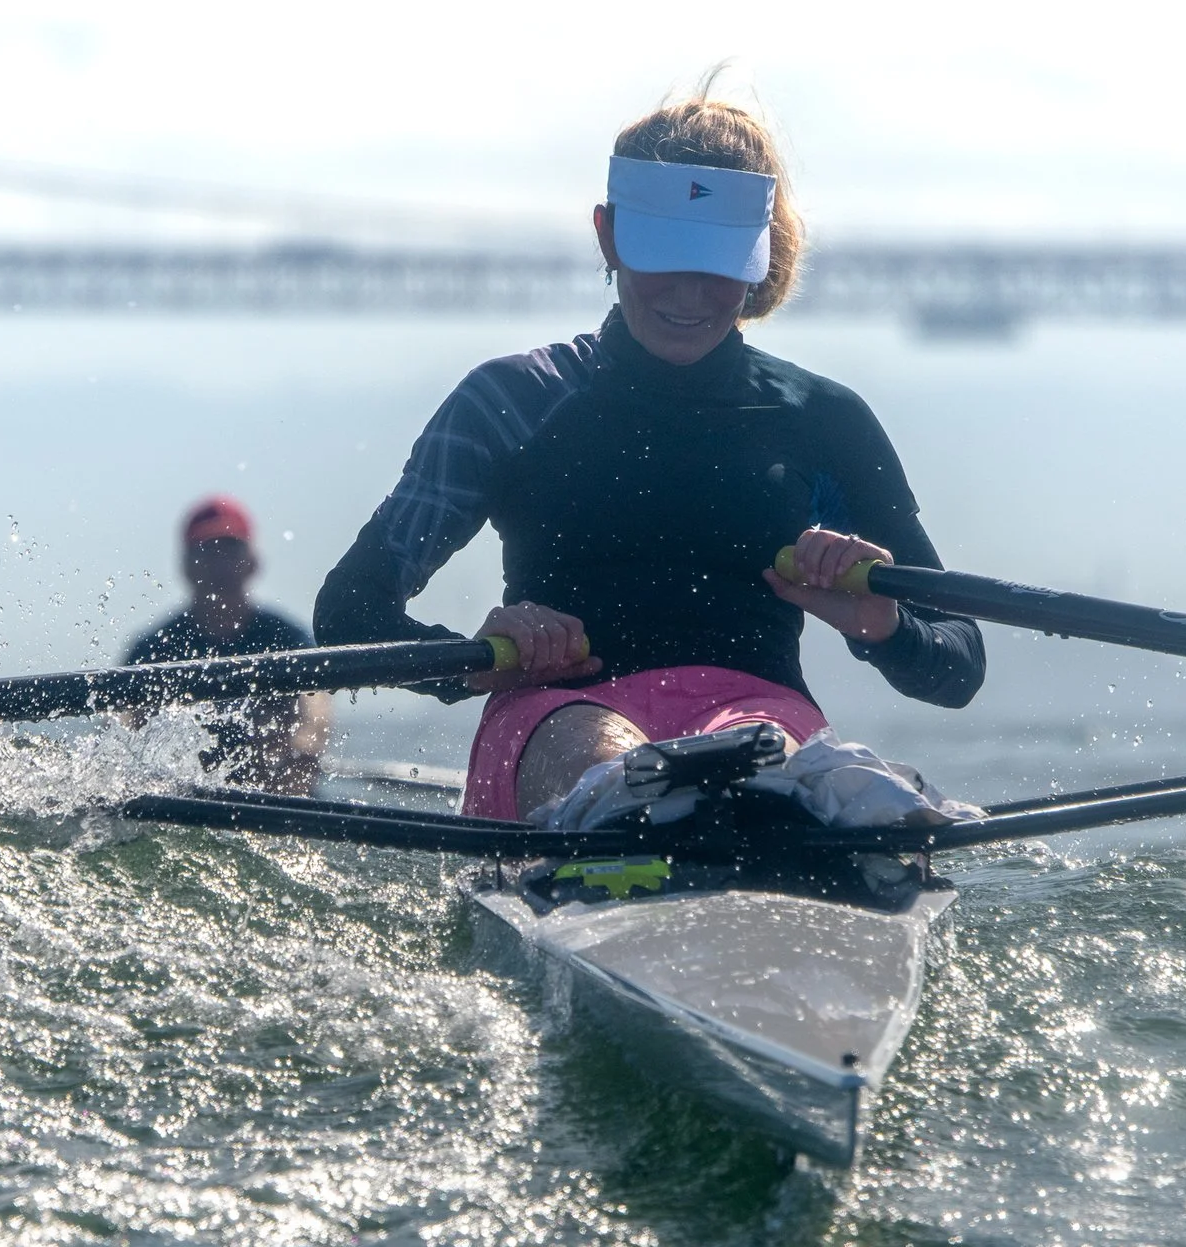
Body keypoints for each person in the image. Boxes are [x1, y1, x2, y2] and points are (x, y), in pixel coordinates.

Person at [314, 92, 983, 821]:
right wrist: (476, 660)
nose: (691, 293)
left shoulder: (823, 420)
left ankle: (776, 818)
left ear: (759, 258)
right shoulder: (509, 401)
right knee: (603, 753)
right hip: (558, 718)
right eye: (665, 255)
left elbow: (958, 660)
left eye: (720, 263)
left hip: (756, 720)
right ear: (608, 236)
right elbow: (349, 610)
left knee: (762, 750)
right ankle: (643, 821)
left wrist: (880, 626)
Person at [124, 496, 331, 793]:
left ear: (253, 563)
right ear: (186, 567)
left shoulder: (287, 640)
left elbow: (317, 713)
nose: (219, 565)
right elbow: (123, 731)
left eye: (230, 551)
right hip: (183, 800)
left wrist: (303, 748)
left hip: (275, 792)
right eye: (207, 552)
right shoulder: (152, 651)